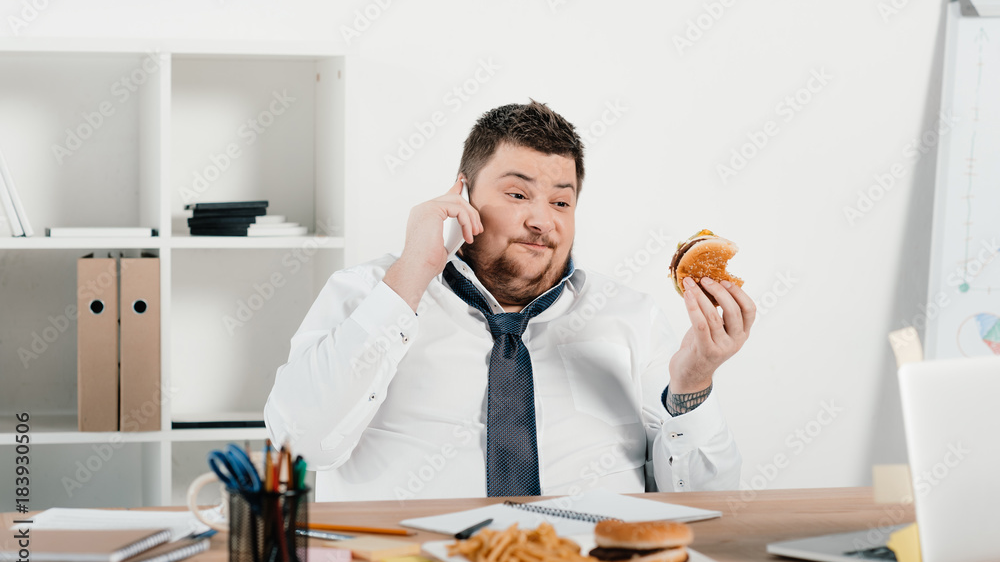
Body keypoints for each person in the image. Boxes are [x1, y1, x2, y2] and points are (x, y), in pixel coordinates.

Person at [264, 100, 755, 502]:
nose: (543, 220)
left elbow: (707, 504)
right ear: (463, 196)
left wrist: (692, 385)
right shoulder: (369, 291)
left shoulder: (630, 317)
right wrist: (413, 271)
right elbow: (301, 442)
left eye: (561, 202)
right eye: (518, 195)